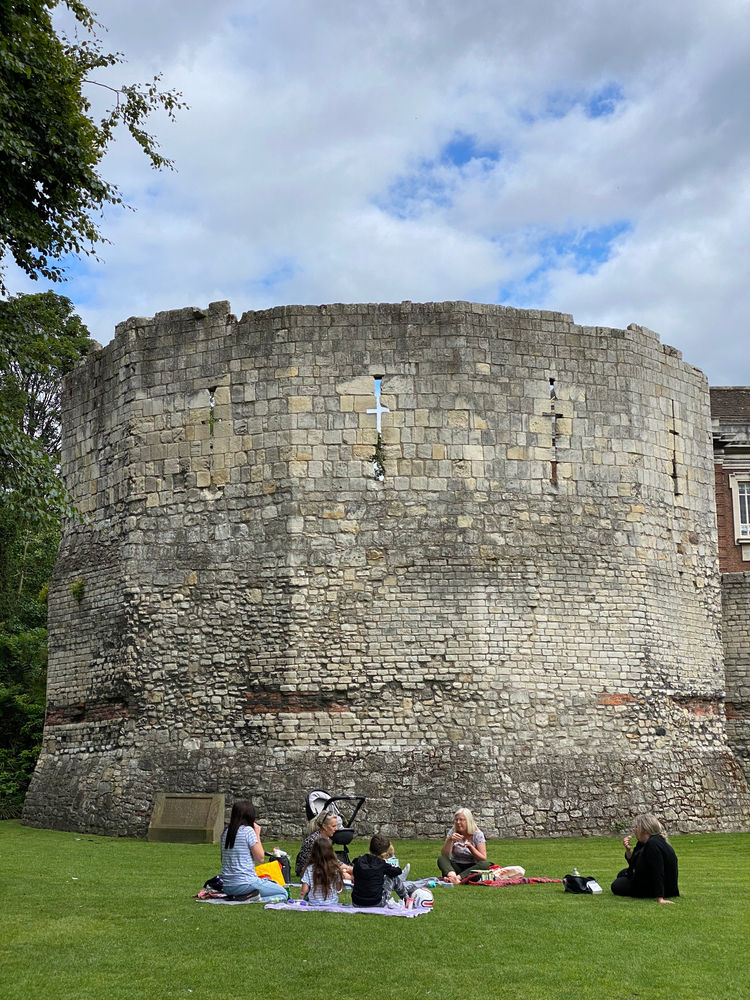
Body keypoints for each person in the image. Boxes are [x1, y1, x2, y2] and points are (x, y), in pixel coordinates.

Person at [220, 800, 288, 901]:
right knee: (283, 893)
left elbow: (223, 860)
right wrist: (257, 834)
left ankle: (247, 897)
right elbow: (260, 858)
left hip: (227, 886)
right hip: (246, 883)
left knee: (268, 885)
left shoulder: (226, 832)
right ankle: (252, 899)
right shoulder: (248, 831)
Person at [610, 813, 679, 903]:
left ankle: (653, 892)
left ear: (645, 830)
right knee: (622, 873)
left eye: (636, 827)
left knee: (616, 885)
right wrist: (628, 851)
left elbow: (658, 870)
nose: (634, 829)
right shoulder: (646, 842)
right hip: (650, 878)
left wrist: (660, 897)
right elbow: (634, 863)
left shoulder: (652, 844)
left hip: (659, 887)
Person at [352, 832, 411, 907]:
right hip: (376, 902)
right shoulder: (382, 865)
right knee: (393, 877)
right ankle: (406, 899)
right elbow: (397, 871)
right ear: (385, 853)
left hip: (356, 902)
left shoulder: (359, 861)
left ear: (370, 848)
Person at [295, 809, 353, 880]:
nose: (336, 829)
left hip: (320, 869)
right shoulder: (314, 841)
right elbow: (325, 863)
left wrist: (348, 868)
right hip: (310, 873)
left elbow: (332, 860)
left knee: (348, 873)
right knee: (346, 875)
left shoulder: (326, 838)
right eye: (333, 826)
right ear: (325, 827)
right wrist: (345, 870)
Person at [438, 807, 491, 883]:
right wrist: (450, 840)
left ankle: (458, 878)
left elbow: (483, 858)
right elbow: (445, 855)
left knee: (485, 865)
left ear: (468, 821)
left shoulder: (477, 834)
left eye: (461, 820)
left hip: (471, 867)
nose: (458, 822)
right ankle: (452, 876)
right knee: (441, 859)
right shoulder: (453, 832)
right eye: (456, 820)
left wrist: (470, 847)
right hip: (456, 865)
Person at [300, 836, 344, 905]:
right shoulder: (335, 868)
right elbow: (338, 888)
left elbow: (304, 890)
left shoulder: (309, 868)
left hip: (314, 902)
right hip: (332, 902)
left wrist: (302, 897)